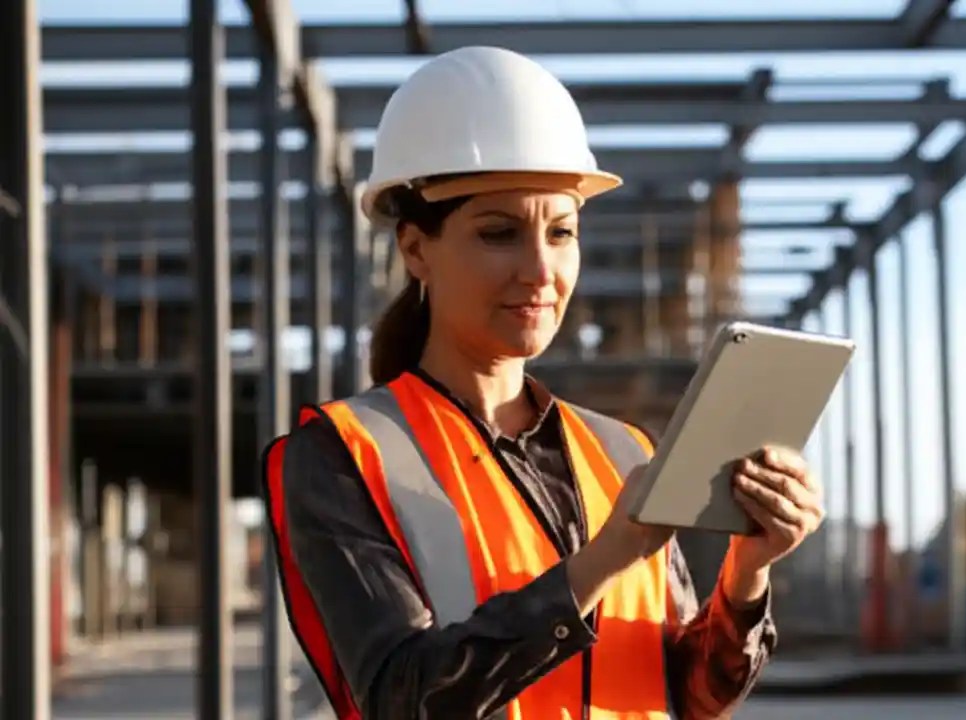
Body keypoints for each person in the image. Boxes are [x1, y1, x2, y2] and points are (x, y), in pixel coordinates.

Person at [262, 46, 826, 720]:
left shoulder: (621, 453)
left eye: (562, 232)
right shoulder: (342, 455)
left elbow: (690, 694)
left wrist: (748, 570)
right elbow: (402, 696)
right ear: (415, 248)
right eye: (499, 233)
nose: (540, 270)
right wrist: (604, 560)